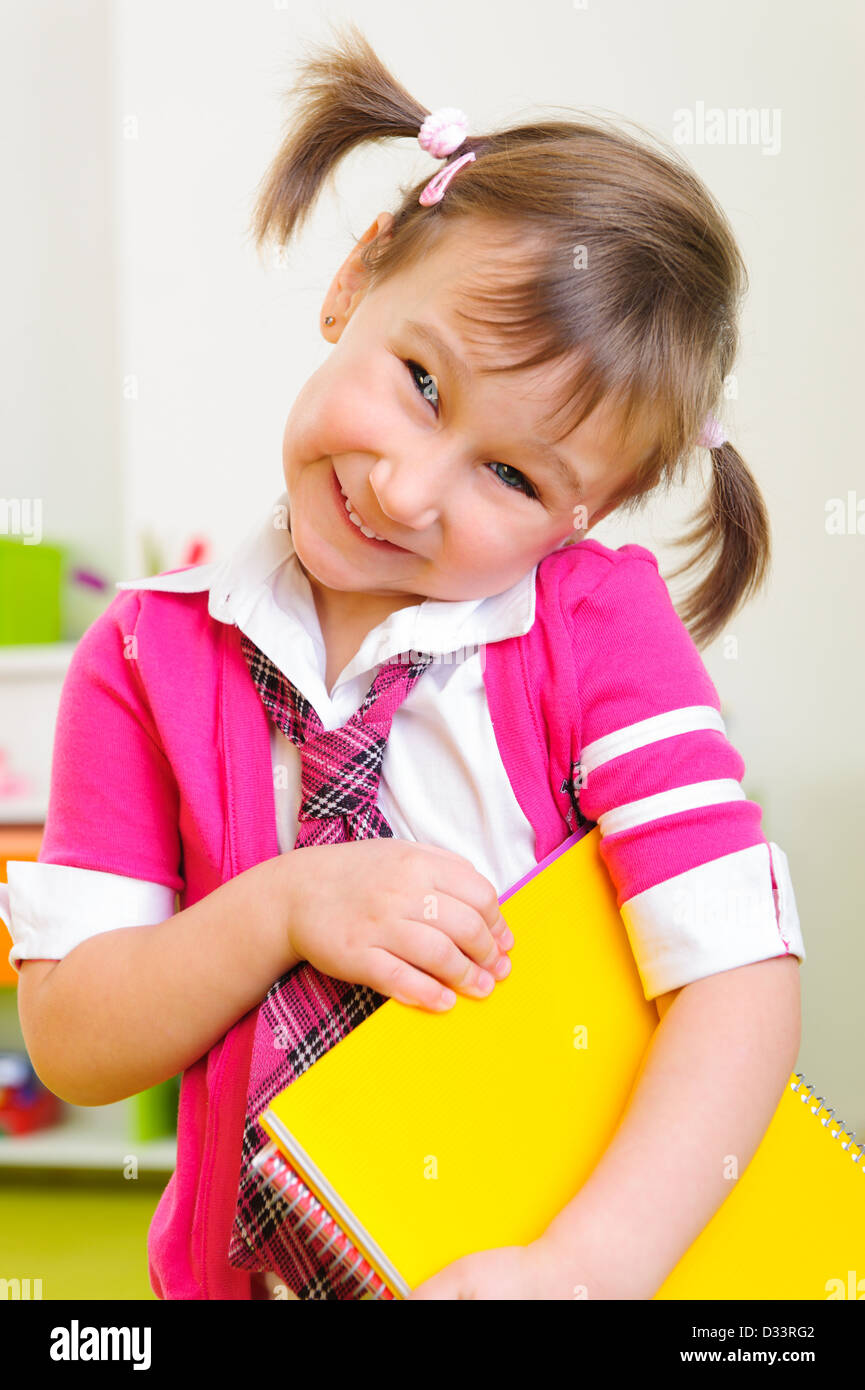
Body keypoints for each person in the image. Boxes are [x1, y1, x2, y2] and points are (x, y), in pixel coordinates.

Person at [3, 22, 804, 1300]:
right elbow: (76, 1041)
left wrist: (578, 1272)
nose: (407, 489)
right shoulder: (144, 655)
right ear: (357, 275)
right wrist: (281, 906)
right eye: (422, 380)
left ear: (584, 512)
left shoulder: (592, 627)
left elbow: (737, 980)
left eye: (511, 474)